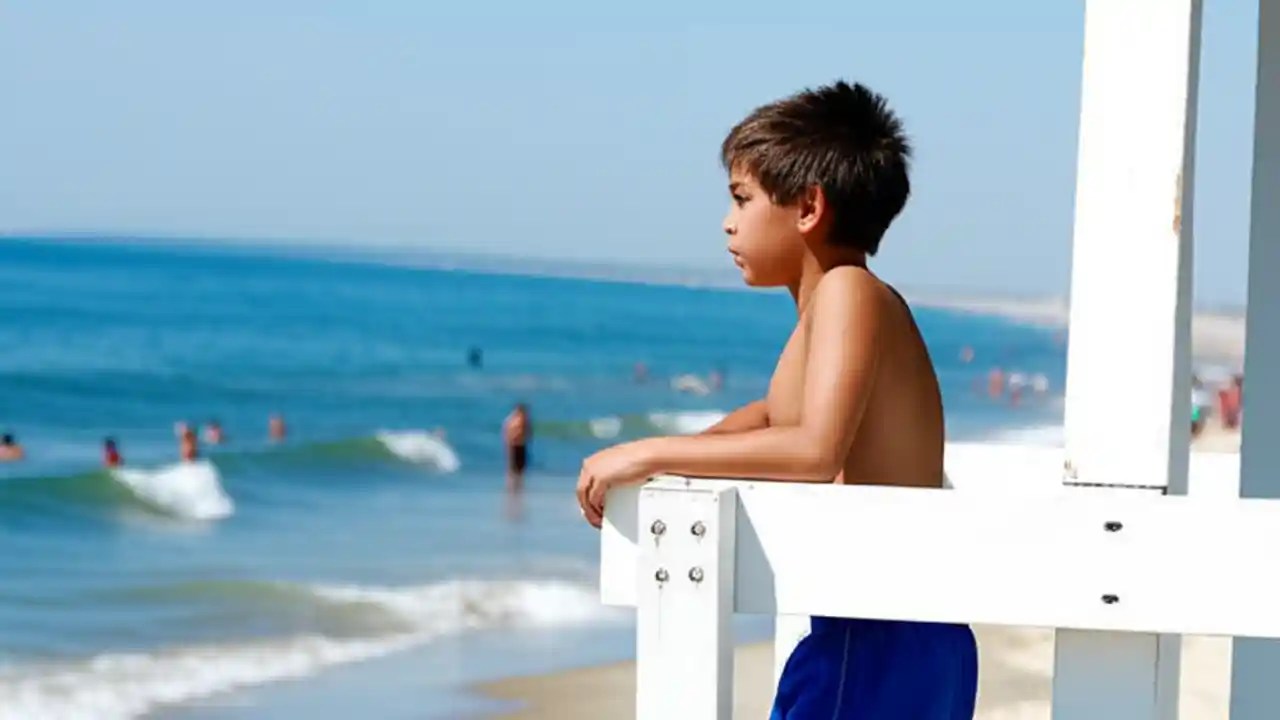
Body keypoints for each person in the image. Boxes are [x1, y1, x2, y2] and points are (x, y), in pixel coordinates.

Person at [574, 81, 977, 719]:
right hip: (876, 629)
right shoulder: (826, 309)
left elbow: (815, 449)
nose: (728, 222)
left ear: (809, 207)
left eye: (742, 198)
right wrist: (659, 459)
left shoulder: (850, 291)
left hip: (882, 634)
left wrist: (644, 451)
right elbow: (768, 417)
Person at [503, 403, 531, 490]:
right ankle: (511, 487)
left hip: (521, 445)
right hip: (514, 445)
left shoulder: (524, 420)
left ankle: (518, 487)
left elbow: (528, 433)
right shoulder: (512, 420)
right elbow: (507, 433)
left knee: (520, 468)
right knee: (513, 468)